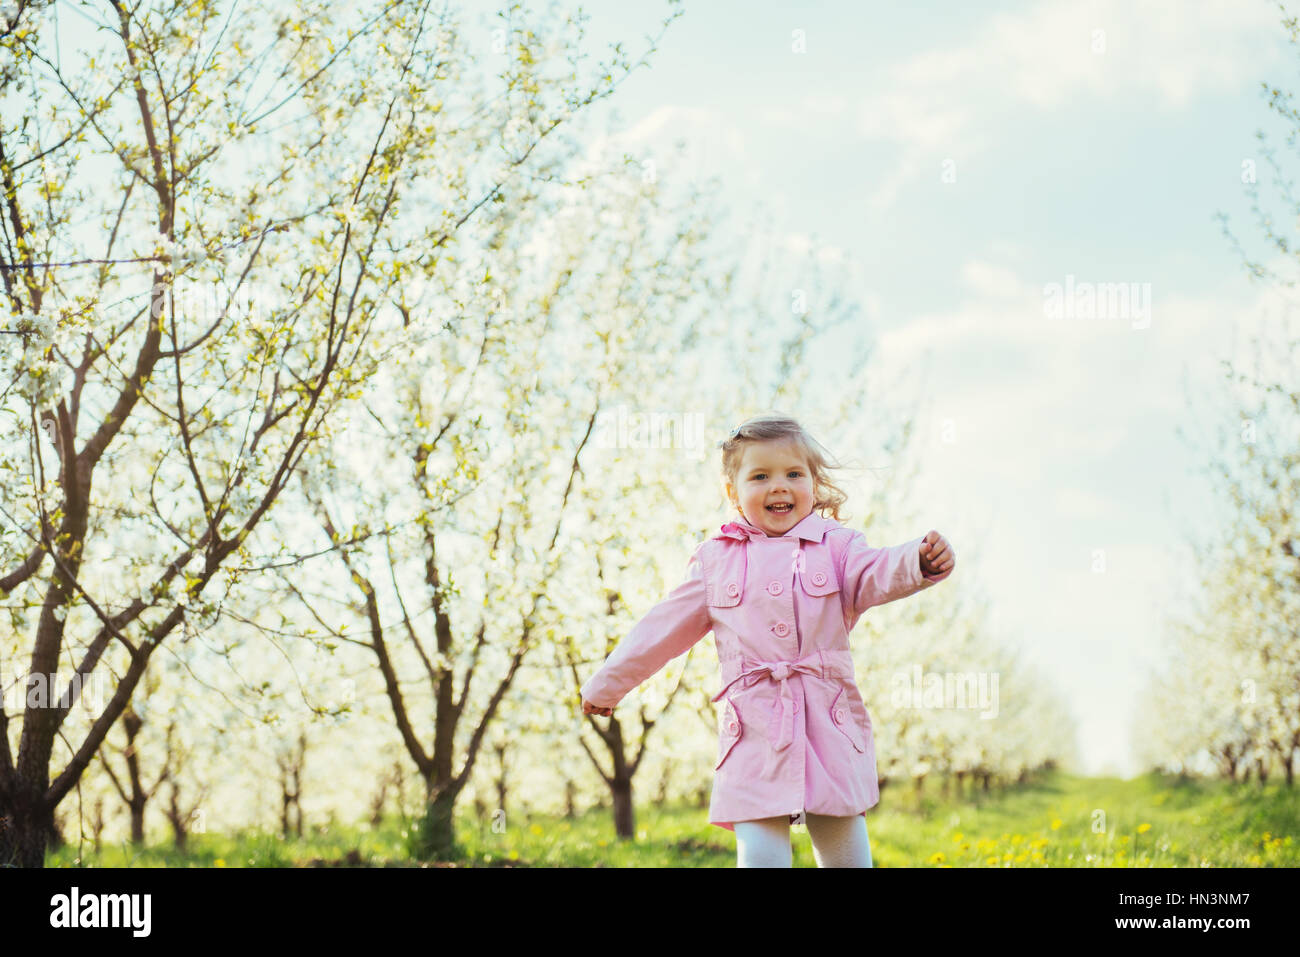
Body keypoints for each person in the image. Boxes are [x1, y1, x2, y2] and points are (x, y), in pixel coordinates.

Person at [580, 412, 955, 867]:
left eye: (794, 474)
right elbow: (661, 628)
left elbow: (875, 571)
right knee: (759, 856)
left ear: (813, 485)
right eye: (760, 476)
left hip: (827, 722)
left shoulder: (837, 547)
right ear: (732, 492)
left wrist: (917, 560)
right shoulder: (716, 560)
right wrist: (609, 683)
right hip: (754, 727)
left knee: (845, 854)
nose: (779, 486)